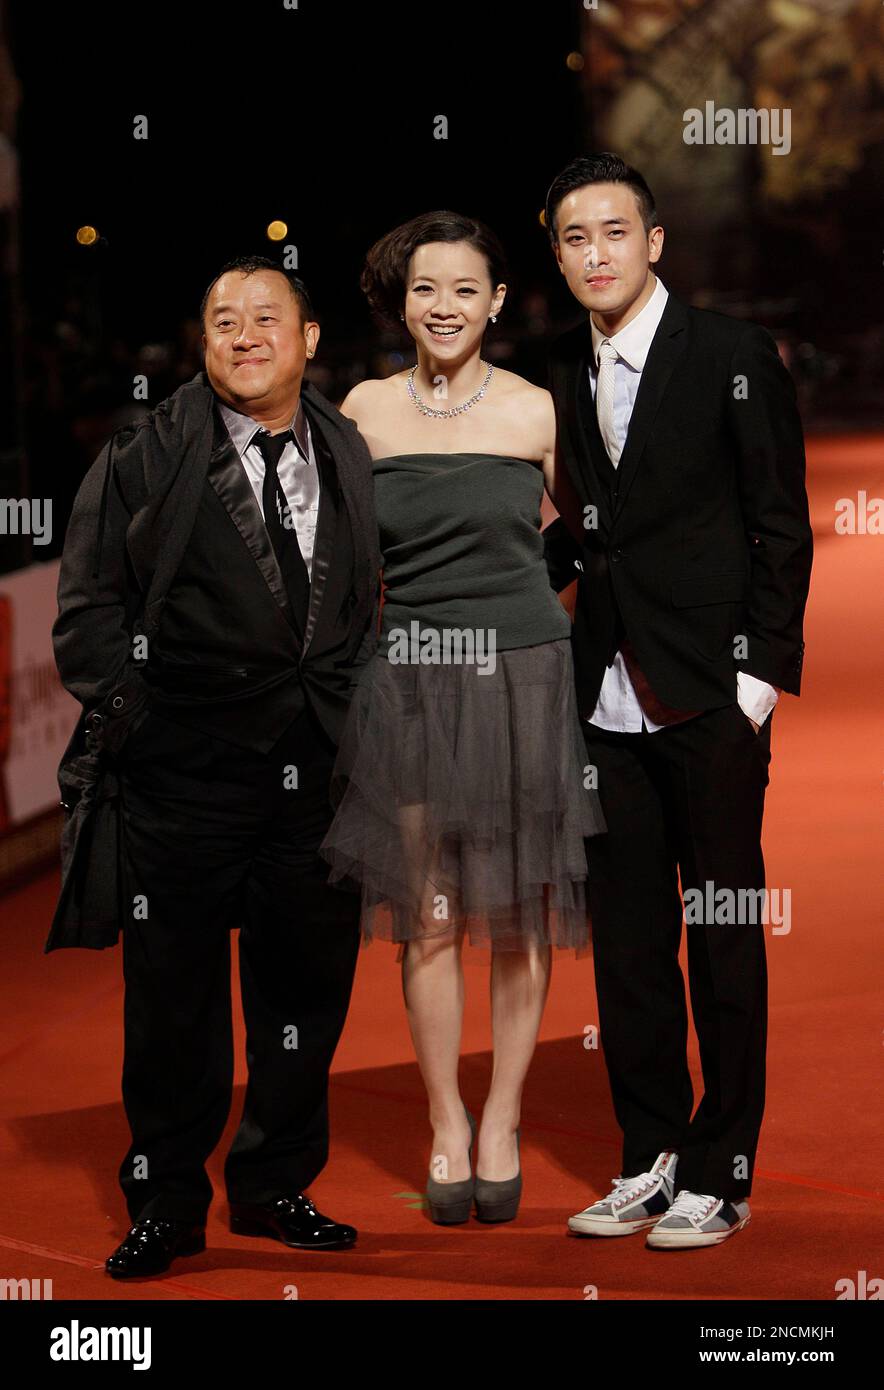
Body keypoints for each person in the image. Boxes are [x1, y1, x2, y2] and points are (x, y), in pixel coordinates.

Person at [48, 256, 381, 1277]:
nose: (244, 336)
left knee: (302, 997)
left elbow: (361, 596)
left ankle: (276, 1183)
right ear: (201, 344)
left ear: (309, 338)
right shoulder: (145, 453)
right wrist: (141, 722)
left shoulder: (346, 446)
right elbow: (85, 612)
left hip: (317, 775)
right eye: (223, 321)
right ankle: (167, 1203)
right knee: (172, 1006)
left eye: (265, 318)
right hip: (182, 773)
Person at [542, 154, 813, 1248]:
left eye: (613, 231)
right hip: (600, 693)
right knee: (628, 940)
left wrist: (753, 681)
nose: (595, 252)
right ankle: (646, 1158)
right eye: (572, 238)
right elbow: (589, 526)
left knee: (723, 933)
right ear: (557, 256)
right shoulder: (559, 369)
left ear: (653, 241)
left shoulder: (730, 354)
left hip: (707, 694)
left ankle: (720, 1165)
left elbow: (778, 522)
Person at [318, 211, 606, 1226]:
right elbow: (339, 560)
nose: (442, 307)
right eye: (423, 290)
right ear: (404, 305)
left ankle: (502, 1118)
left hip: (523, 672)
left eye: (462, 290)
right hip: (410, 681)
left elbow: (586, 536)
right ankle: (444, 1116)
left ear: (495, 302)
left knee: (521, 915)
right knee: (430, 912)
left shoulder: (535, 410)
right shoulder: (361, 410)